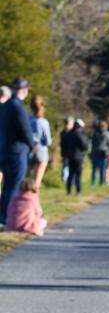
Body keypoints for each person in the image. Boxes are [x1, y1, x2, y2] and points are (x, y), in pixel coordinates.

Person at [0, 77, 37, 228]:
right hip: (16, 151)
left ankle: (3, 216)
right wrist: (32, 144)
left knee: (7, 186)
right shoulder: (17, 106)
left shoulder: (5, 106)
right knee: (15, 184)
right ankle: (7, 217)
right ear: (25, 90)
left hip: (4, 150)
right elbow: (25, 130)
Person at [28, 94, 53, 190]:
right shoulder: (43, 122)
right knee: (37, 180)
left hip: (30, 149)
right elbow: (48, 140)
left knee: (26, 178)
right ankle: (34, 201)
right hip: (41, 150)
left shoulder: (28, 119)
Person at [64, 119, 89, 195]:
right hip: (78, 157)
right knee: (78, 174)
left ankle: (68, 191)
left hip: (70, 156)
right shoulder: (79, 134)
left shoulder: (68, 134)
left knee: (71, 174)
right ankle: (78, 191)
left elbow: (64, 145)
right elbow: (84, 145)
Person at [90, 120, 109, 186]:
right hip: (104, 153)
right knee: (103, 168)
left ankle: (93, 182)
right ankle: (102, 182)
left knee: (94, 168)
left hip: (95, 152)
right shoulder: (107, 133)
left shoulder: (95, 133)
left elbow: (92, 142)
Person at [59, 117, 75, 186]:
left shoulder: (73, 132)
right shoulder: (63, 133)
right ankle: (66, 181)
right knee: (65, 167)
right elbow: (63, 144)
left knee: (72, 167)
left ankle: (71, 181)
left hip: (72, 153)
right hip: (66, 153)